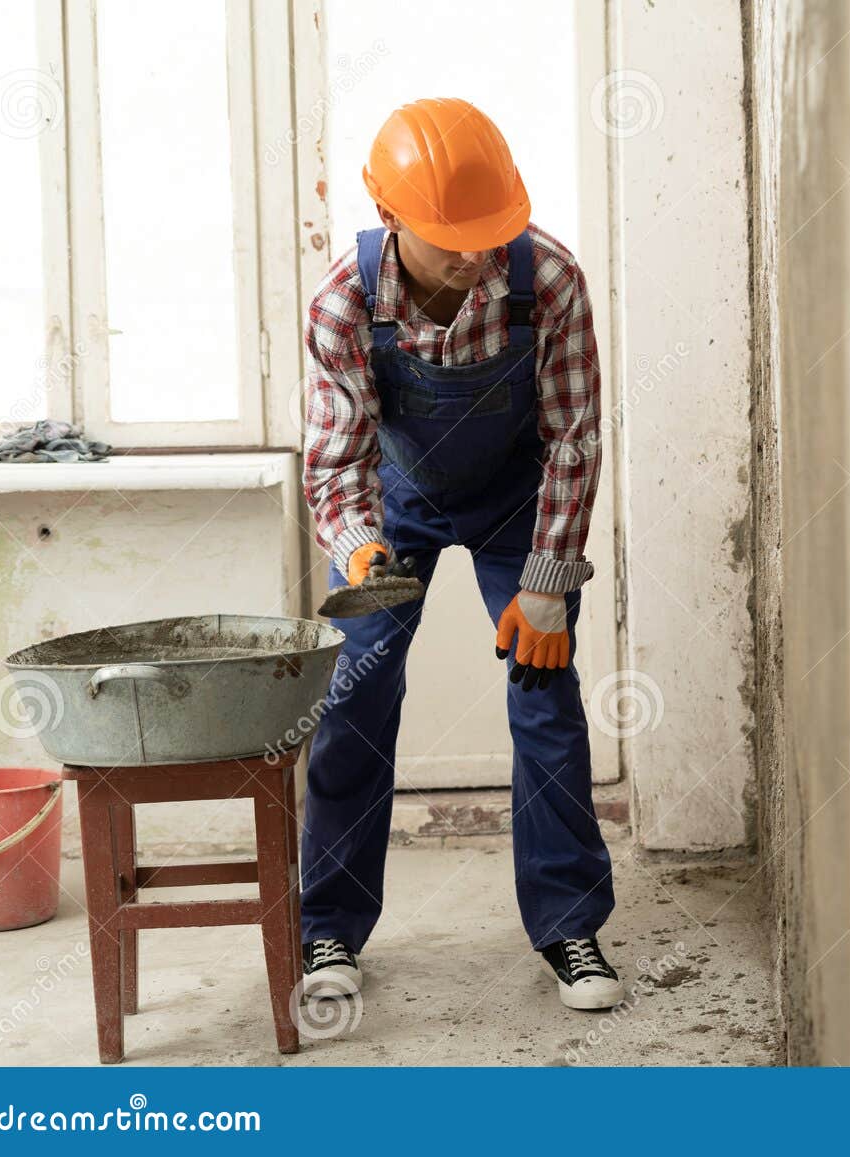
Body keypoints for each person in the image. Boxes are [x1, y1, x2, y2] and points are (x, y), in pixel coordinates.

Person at [296, 97, 621, 1011]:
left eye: (489, 235)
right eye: (451, 241)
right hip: (394, 506)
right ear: (389, 215)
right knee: (358, 688)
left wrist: (549, 583)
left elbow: (574, 440)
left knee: (543, 688)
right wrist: (361, 558)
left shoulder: (547, 280)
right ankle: (330, 922)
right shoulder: (344, 305)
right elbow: (337, 457)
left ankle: (569, 926)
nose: (476, 257)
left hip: (521, 498)